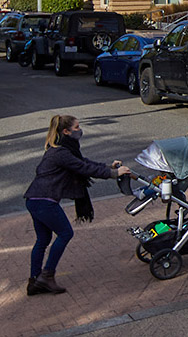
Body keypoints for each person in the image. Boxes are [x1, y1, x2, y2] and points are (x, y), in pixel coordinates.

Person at [24, 115, 131, 296]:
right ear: (66, 131)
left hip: (34, 199)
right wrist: (114, 174)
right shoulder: (61, 153)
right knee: (65, 233)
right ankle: (46, 276)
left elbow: (84, 162)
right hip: (44, 201)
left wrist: (109, 167)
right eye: (76, 127)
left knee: (42, 240)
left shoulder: (62, 149)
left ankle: (34, 281)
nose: (79, 130)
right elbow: (84, 168)